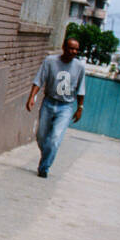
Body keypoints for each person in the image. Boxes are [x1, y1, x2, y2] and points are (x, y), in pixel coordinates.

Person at [25, 36, 86, 178]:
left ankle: (44, 167)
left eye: (76, 49)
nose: (74, 51)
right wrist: (31, 97)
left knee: (54, 139)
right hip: (49, 102)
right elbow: (39, 80)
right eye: (71, 48)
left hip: (66, 106)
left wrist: (80, 108)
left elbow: (81, 89)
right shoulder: (50, 61)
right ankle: (47, 155)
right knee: (41, 137)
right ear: (64, 48)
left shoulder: (79, 67)